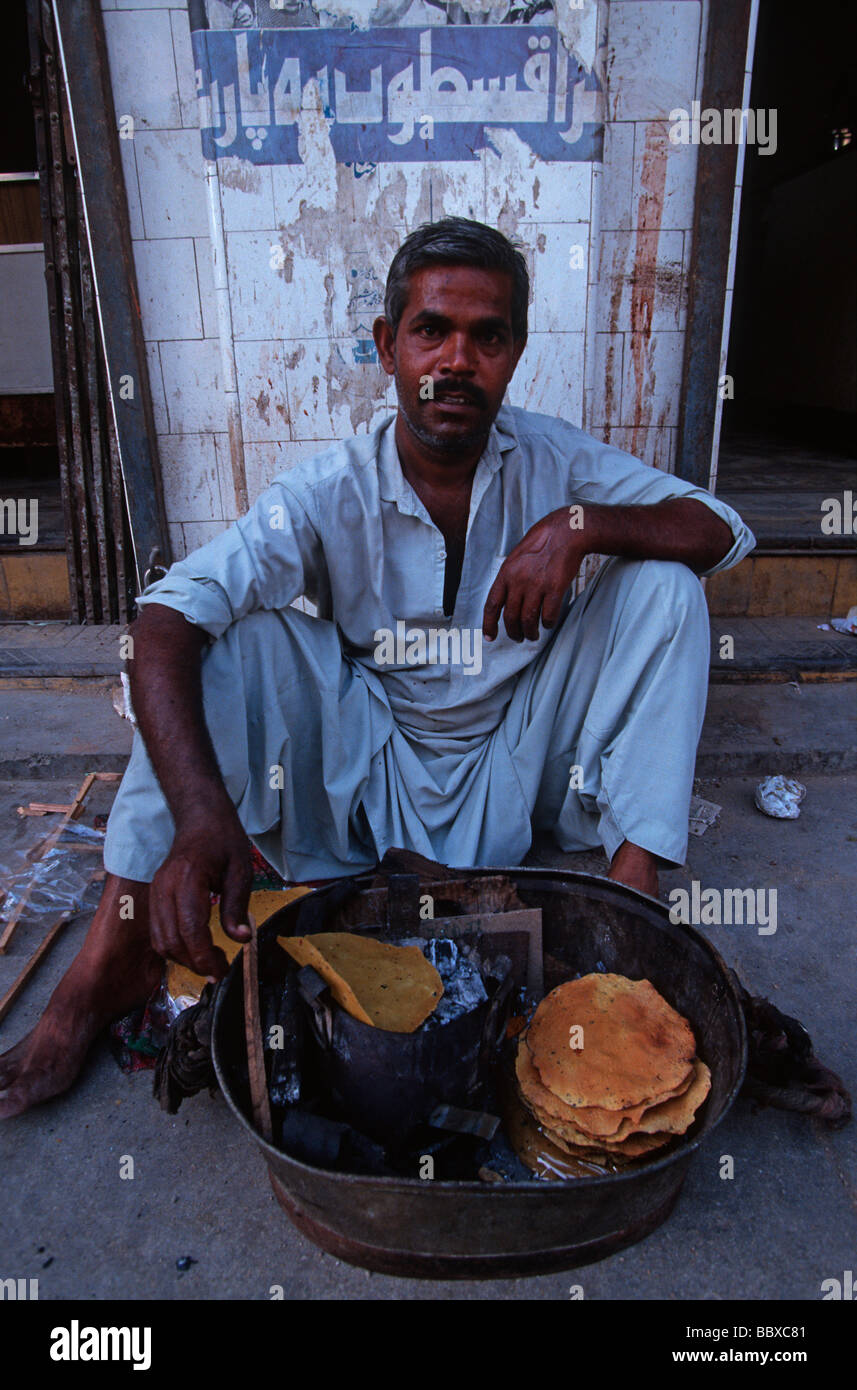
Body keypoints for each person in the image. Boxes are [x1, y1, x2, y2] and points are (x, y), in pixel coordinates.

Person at [0, 217, 753, 1118]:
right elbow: (165, 614)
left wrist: (582, 526)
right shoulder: (330, 490)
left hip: (521, 761)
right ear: (387, 346)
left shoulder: (554, 462)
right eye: (431, 329)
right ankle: (105, 962)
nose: (457, 359)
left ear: (513, 354)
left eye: (488, 335)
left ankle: (632, 888)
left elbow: (721, 528)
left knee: (667, 587)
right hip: (369, 772)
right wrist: (205, 818)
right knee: (232, 639)